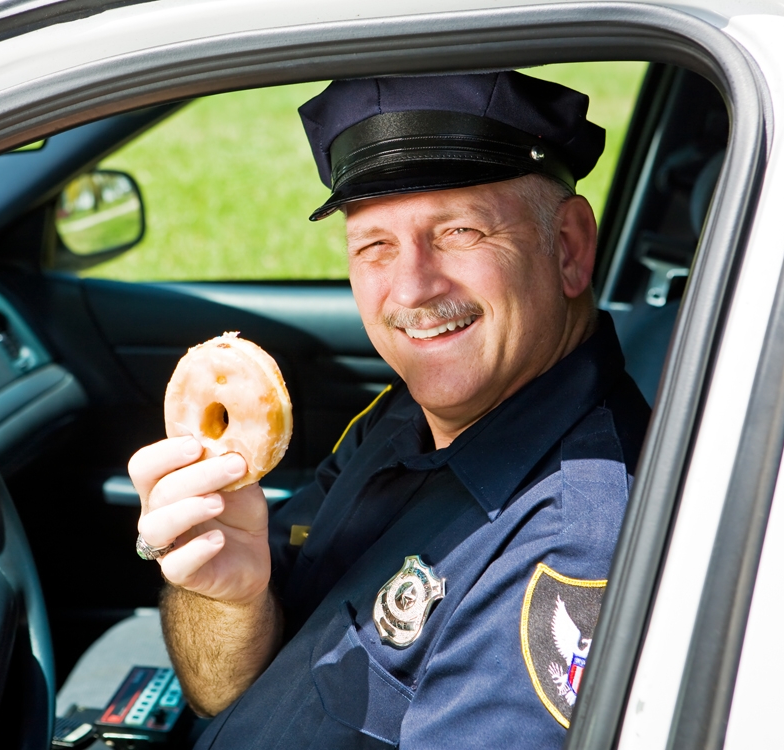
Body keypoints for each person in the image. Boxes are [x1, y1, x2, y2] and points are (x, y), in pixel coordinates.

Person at [126, 71, 651, 748]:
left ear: (569, 248)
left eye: (459, 231)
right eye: (375, 245)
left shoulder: (568, 543)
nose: (412, 288)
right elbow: (219, 688)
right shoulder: (402, 417)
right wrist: (225, 594)